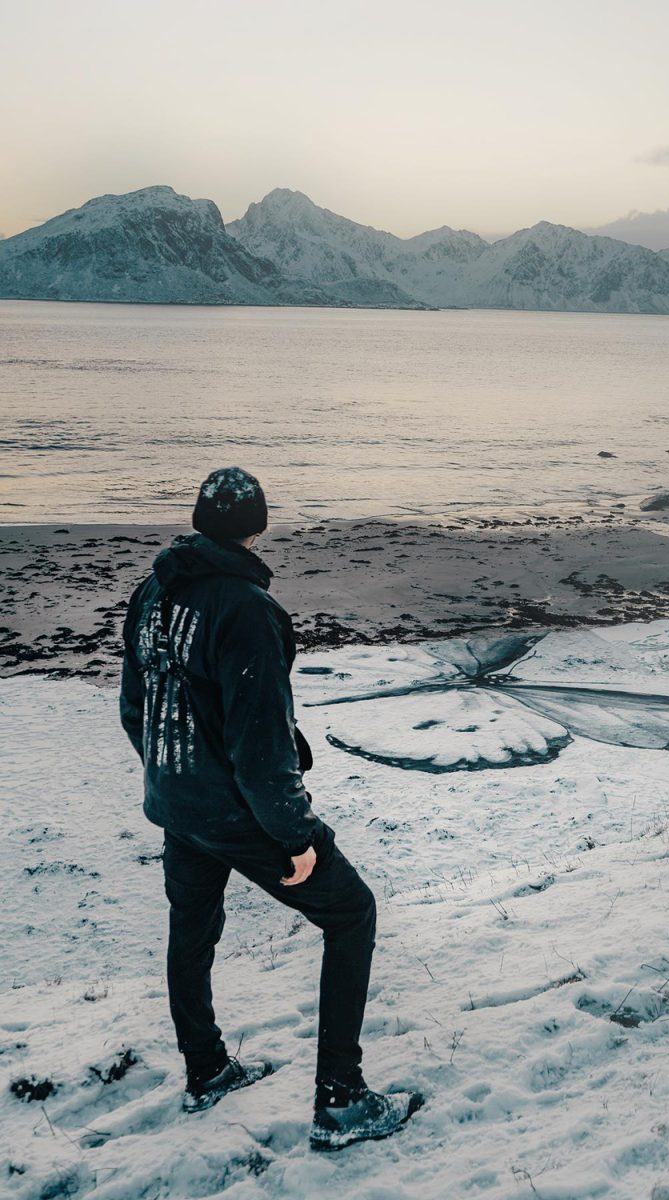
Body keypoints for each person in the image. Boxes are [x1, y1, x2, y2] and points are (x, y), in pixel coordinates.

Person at [119, 466, 420, 1150]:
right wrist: (297, 835)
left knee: (191, 928)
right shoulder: (246, 609)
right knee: (351, 912)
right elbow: (261, 751)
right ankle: (340, 1102)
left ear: (200, 518)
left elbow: (135, 709)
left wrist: (170, 779)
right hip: (233, 812)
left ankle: (207, 1070)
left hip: (177, 802)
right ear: (258, 526)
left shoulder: (150, 592)